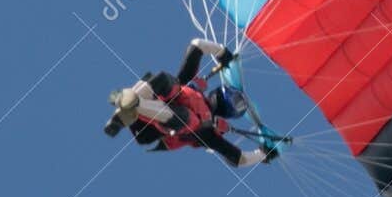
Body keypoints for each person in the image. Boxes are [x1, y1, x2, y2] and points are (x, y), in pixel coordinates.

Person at [103, 38, 278, 167]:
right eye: (235, 96)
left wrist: (262, 154)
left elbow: (240, 159)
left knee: (189, 120)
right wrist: (223, 53)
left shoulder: (211, 133)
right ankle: (129, 105)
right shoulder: (191, 86)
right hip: (150, 110)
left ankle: (133, 104)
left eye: (238, 103)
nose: (234, 99)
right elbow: (197, 45)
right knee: (166, 80)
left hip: (157, 129)